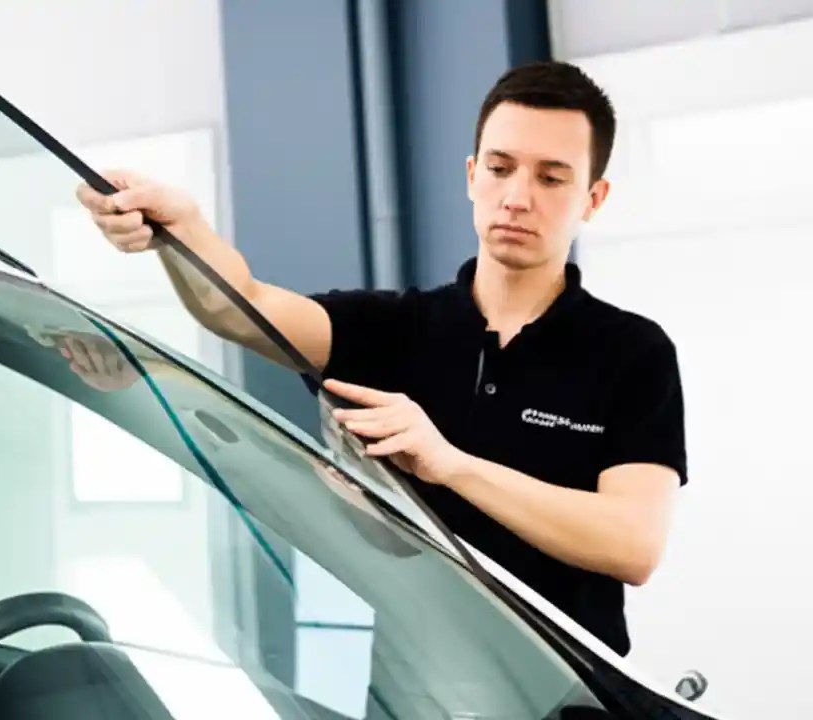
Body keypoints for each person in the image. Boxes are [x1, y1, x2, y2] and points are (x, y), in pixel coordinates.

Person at [75, 59, 687, 657]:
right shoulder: (393, 327)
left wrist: (450, 466)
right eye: (501, 168)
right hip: (410, 693)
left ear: (594, 196)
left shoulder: (632, 351)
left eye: (551, 178)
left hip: (570, 698)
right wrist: (182, 231)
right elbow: (241, 307)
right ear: (472, 175)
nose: (517, 198)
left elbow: (632, 544)